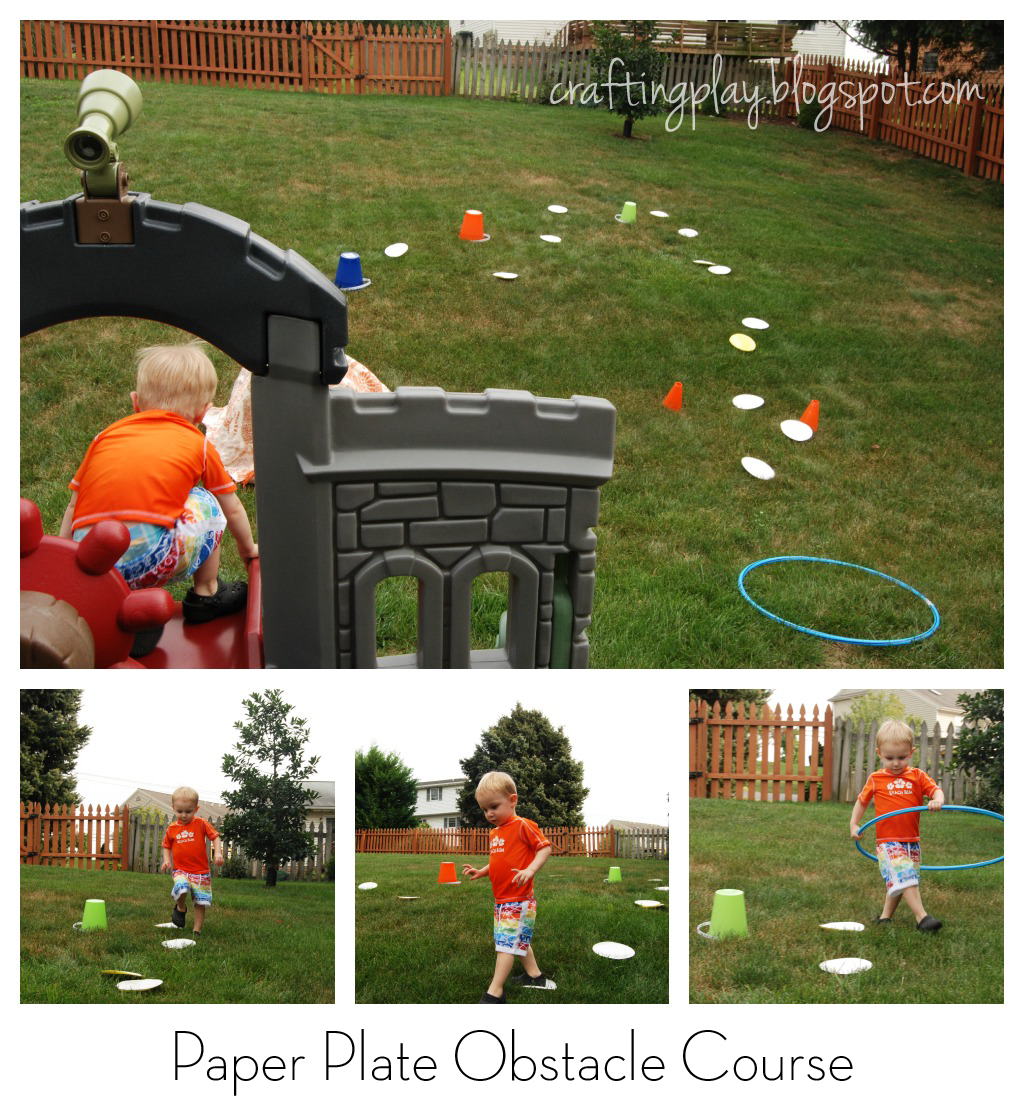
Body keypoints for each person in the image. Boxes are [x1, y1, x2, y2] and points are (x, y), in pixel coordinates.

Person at [58, 341, 258, 644]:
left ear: (136, 402)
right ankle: (207, 594)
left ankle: (130, 613)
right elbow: (231, 508)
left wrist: (65, 563)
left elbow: (73, 506)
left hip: (92, 565)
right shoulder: (199, 444)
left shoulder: (104, 438)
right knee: (207, 501)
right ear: (204, 413)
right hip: (151, 561)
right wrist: (248, 551)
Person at [461, 771, 555, 1002]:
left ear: (512, 800)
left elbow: (545, 847)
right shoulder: (496, 832)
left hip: (519, 899)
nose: (489, 813)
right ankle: (535, 976)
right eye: (484, 809)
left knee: (505, 945)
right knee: (517, 939)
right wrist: (483, 871)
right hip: (503, 898)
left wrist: (530, 870)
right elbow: (499, 860)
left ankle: (495, 992)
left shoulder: (523, 825)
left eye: (494, 806)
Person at [849, 719, 944, 931]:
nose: (895, 763)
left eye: (901, 757)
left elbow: (935, 790)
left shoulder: (917, 776)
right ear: (878, 753)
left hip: (912, 841)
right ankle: (922, 918)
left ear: (911, 752)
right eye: (889, 757)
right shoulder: (876, 779)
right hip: (887, 841)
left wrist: (937, 800)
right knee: (904, 875)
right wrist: (854, 824)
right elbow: (862, 801)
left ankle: (885, 917)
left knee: (902, 878)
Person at [159, 786, 224, 935]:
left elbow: (215, 837)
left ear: (196, 808)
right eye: (179, 811)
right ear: (173, 808)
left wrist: (218, 853)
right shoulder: (172, 828)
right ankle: (181, 907)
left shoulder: (200, 823)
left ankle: (197, 930)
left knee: (201, 902)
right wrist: (167, 860)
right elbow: (166, 846)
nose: (183, 815)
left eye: (188, 811)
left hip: (201, 873)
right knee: (181, 887)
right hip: (181, 870)